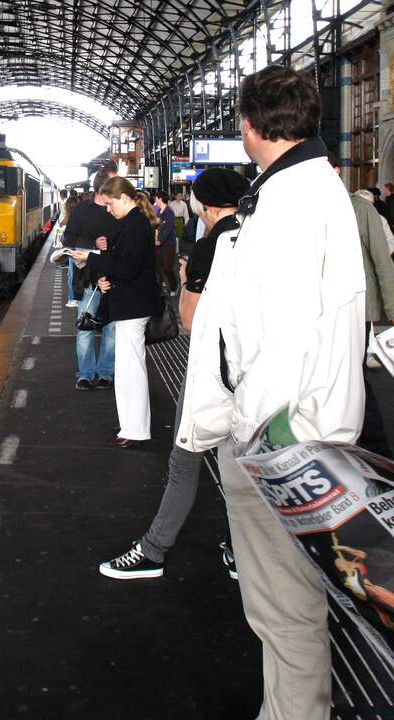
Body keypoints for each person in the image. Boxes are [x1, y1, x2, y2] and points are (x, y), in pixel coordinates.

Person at [178, 64, 365, 720]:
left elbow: (282, 337)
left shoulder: (289, 203)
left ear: (252, 125)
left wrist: (249, 434)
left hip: (278, 442)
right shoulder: (307, 189)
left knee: (284, 611)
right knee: (288, 608)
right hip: (297, 429)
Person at [98, 168, 248, 579]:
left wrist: (186, 280)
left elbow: (190, 319)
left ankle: (153, 550)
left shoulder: (209, 247)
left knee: (184, 463)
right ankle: (240, 551)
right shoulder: (258, 238)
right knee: (239, 468)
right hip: (253, 374)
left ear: (206, 204)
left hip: (212, 371)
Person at [331, 151, 394, 458]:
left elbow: (383, 260)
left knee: (355, 376)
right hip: (317, 313)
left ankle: (377, 448)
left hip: (354, 310)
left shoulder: (361, 209)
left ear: (336, 171)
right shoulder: (301, 207)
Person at [92, 176, 161, 448]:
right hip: (130, 304)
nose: (108, 210)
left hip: (133, 306)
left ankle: (136, 429)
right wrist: (103, 276)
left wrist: (93, 260)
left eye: (110, 204)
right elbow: (122, 265)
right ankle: (130, 425)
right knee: (127, 369)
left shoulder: (134, 225)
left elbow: (128, 268)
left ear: (123, 198)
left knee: (131, 370)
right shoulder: (133, 223)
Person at [62, 169, 118, 390]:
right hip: (88, 278)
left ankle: (105, 372)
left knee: (111, 329)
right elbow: (69, 239)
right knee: (86, 326)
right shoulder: (82, 211)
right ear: (103, 188)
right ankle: (85, 374)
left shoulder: (118, 211)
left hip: (114, 276)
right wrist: (94, 243)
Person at [152, 190, 178, 292]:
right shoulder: (158, 211)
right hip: (158, 243)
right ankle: (159, 289)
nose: (155, 200)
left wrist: (160, 240)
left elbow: (169, 228)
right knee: (158, 268)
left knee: (167, 268)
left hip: (168, 244)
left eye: (157, 198)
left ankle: (174, 286)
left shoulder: (169, 212)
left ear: (160, 199)